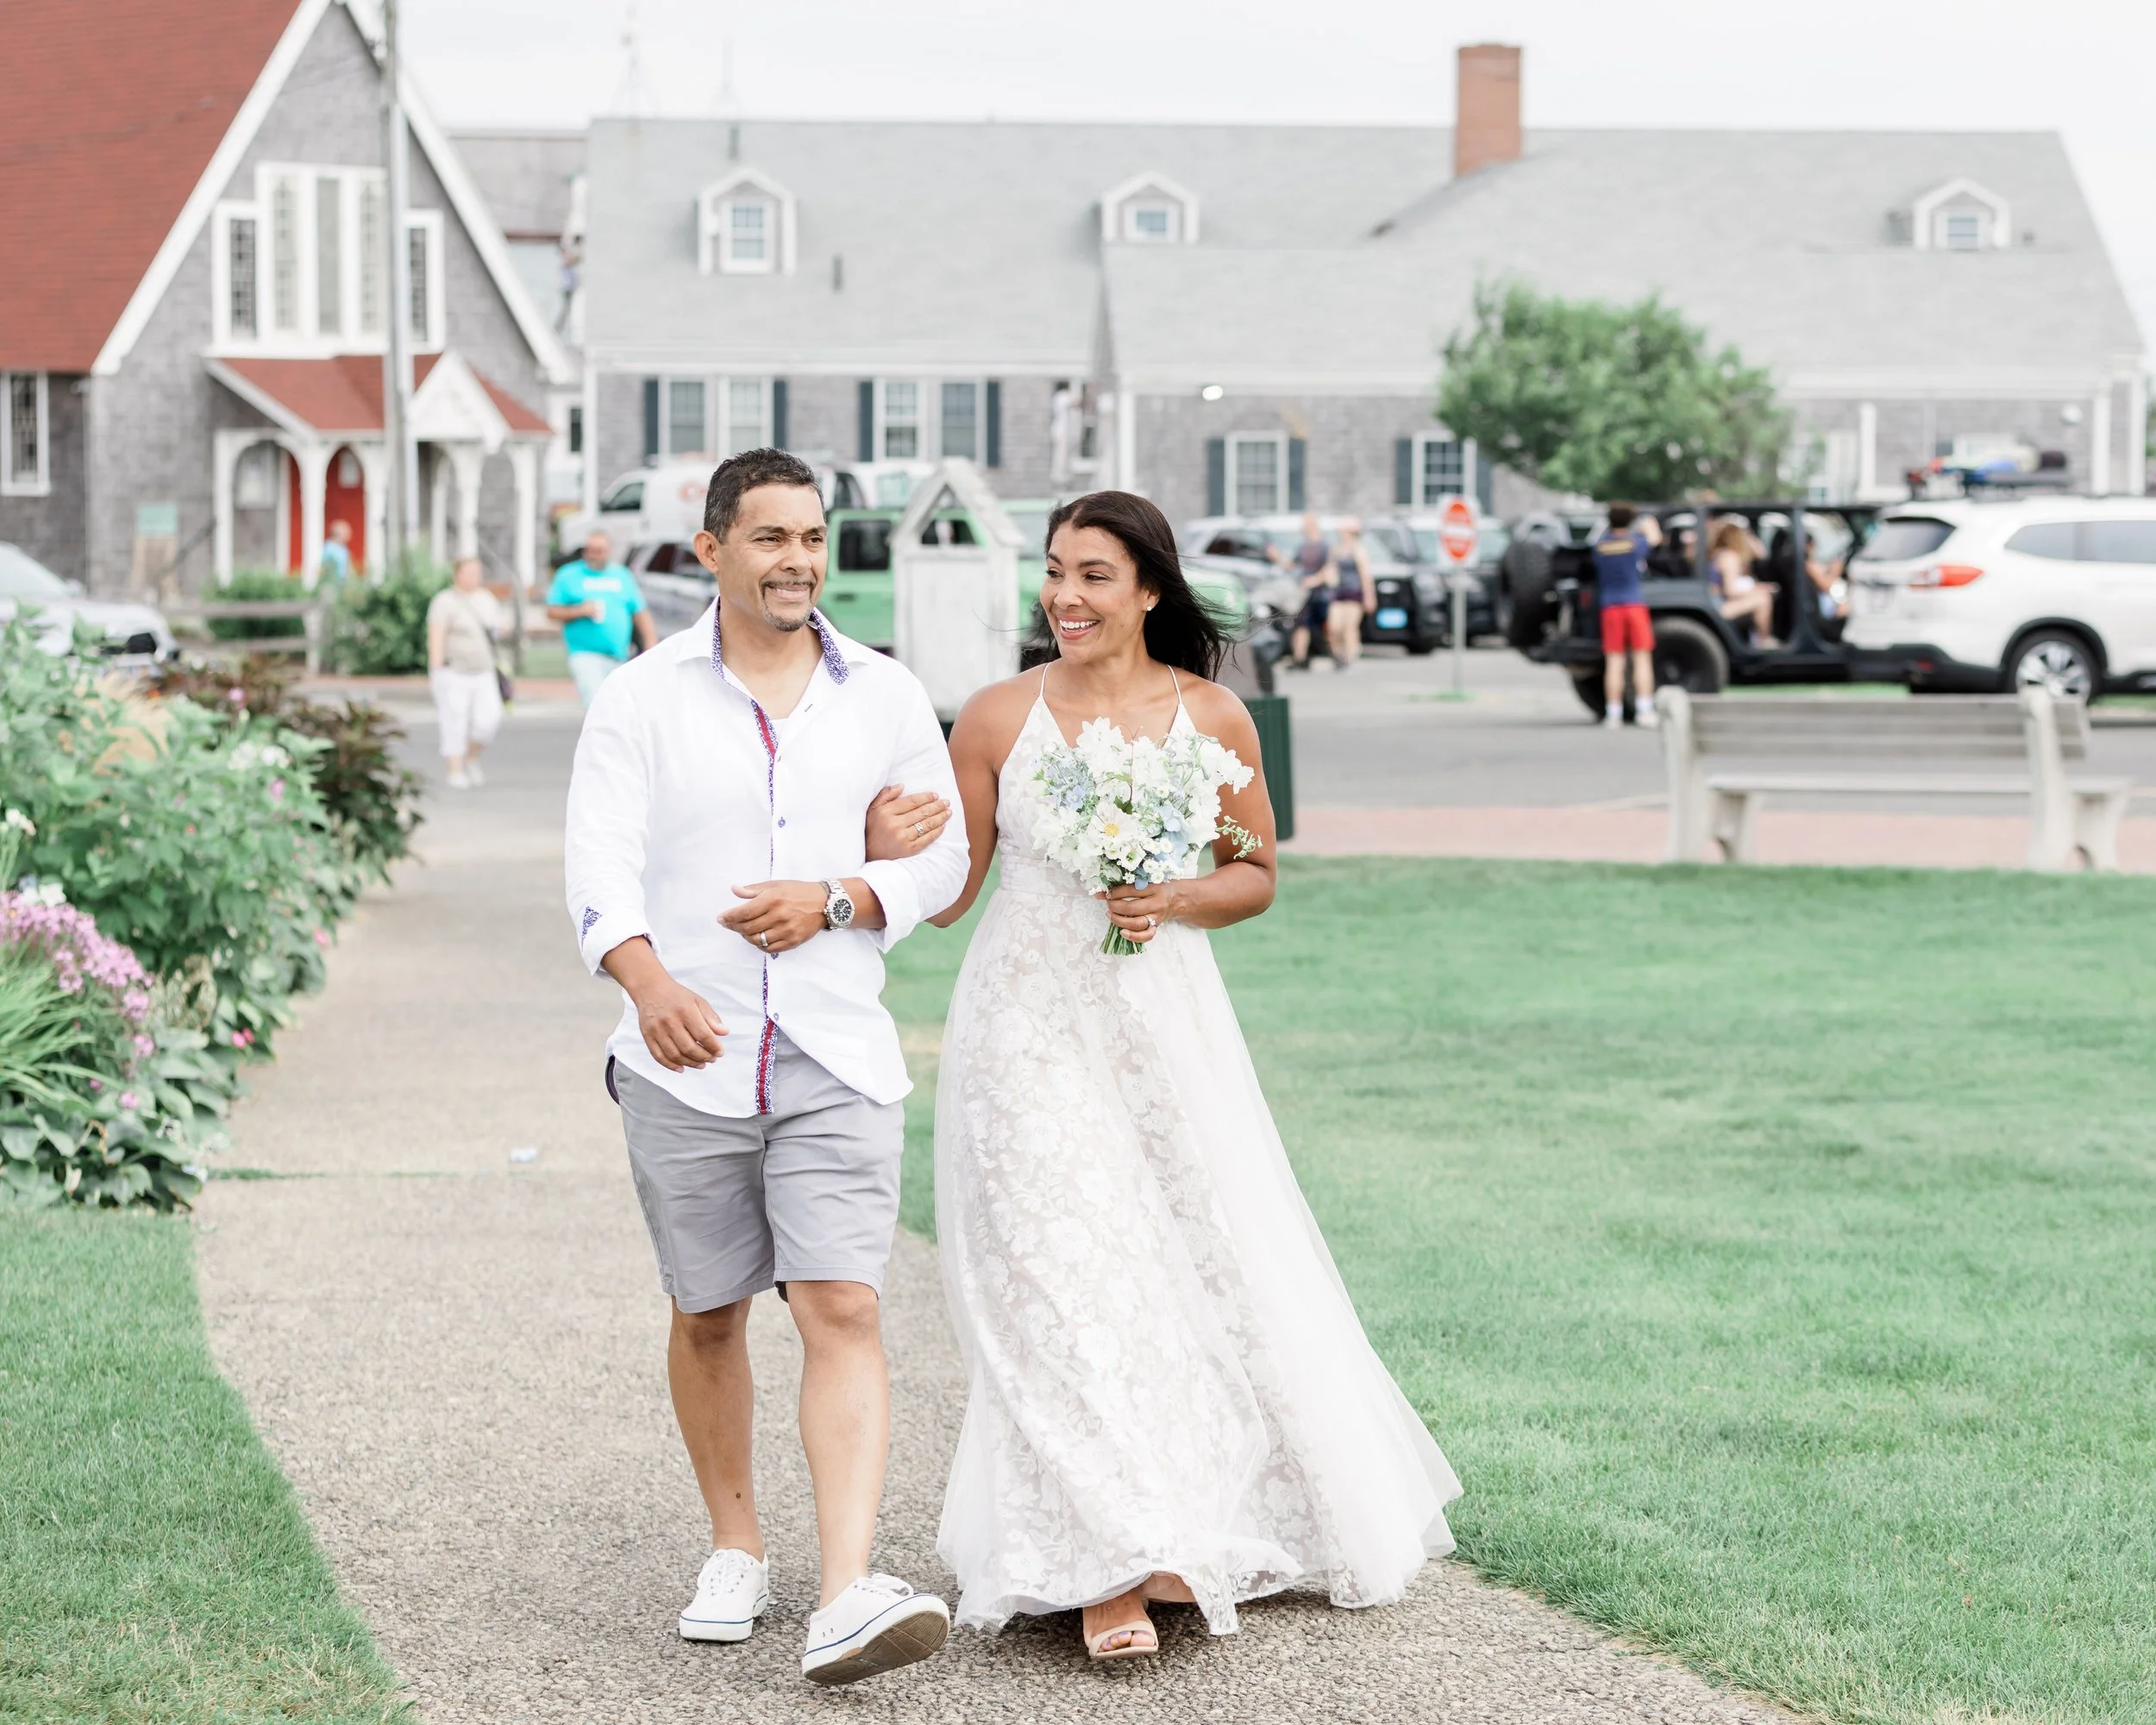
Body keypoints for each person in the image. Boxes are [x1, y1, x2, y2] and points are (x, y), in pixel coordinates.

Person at [931, 490, 1460, 1661]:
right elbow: (951, 891)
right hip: (1024, 1025)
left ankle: (1186, 1520)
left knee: (1178, 1267)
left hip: (1160, 1022)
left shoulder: (1212, 717)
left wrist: (1166, 895)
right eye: (1055, 574)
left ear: (1150, 590)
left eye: (1094, 575)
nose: (1064, 596)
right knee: (1053, 1275)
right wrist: (877, 839)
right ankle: (1106, 1561)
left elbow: (1256, 871)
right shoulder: (994, 717)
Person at [562, 448, 967, 1685]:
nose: (798, 560)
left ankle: (846, 1588)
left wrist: (841, 893)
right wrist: (652, 983)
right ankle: (735, 1545)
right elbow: (596, 869)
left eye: (813, 538)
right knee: (710, 1312)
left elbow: (940, 867)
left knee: (844, 1302)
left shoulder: (887, 696)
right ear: (713, 549)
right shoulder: (640, 699)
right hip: (688, 1058)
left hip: (837, 1051)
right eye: (772, 538)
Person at [548, 530, 656, 705]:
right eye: (591, 550)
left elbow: (639, 611)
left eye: (600, 550)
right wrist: (579, 610)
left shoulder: (621, 575)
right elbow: (552, 611)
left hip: (618, 654)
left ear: (608, 551)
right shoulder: (568, 576)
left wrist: (651, 643)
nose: (595, 555)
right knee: (595, 702)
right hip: (584, 652)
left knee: (618, 705)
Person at [426, 555, 505, 789]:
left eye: (477, 573)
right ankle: (455, 768)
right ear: (457, 574)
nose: (474, 578)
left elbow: (496, 631)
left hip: (484, 670)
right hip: (455, 671)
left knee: (488, 720)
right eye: (469, 572)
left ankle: (471, 757)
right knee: (454, 720)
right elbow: (436, 635)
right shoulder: (445, 601)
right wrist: (436, 667)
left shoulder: (486, 599)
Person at [1591, 504, 1663, 729]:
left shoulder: (1601, 546)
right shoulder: (1634, 543)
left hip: (1610, 607)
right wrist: (1648, 525)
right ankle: (1645, 710)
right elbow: (1656, 539)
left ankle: (1613, 714)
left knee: (1614, 662)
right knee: (1642, 659)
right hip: (1634, 604)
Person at [1270, 512, 1334, 670]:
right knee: (1301, 625)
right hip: (1303, 594)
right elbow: (1293, 566)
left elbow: (1330, 569)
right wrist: (1277, 558)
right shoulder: (1302, 547)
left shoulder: (1325, 546)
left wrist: (1315, 580)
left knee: (1327, 626)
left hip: (1321, 593)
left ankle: (1337, 656)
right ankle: (1300, 658)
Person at [1707, 518, 1777, 648]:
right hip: (1721, 607)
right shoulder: (1730, 557)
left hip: (1716, 602)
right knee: (1763, 598)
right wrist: (1757, 590)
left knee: (1761, 594)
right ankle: (1764, 640)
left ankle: (1756, 638)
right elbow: (1730, 591)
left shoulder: (1719, 554)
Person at [1326, 517, 1376, 668]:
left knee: (1350, 627)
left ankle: (1350, 657)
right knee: (1334, 627)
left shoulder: (1359, 549)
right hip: (1338, 592)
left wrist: (1369, 596)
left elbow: (1365, 575)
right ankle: (1338, 654)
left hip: (1354, 593)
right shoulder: (1336, 549)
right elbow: (1330, 569)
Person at [318, 519, 354, 586]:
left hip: (343, 584)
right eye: (347, 531)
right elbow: (323, 567)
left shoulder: (344, 548)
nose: (350, 533)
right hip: (331, 584)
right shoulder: (329, 548)